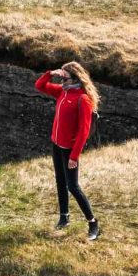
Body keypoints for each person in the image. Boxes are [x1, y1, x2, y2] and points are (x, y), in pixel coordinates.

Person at [34, 63, 101, 240]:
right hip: (57, 145)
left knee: (73, 186)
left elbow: (83, 132)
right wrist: (50, 73)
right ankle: (64, 217)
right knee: (60, 181)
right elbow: (39, 85)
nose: (62, 81)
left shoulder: (82, 99)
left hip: (70, 149)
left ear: (75, 78)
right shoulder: (63, 92)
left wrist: (74, 156)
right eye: (61, 78)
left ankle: (93, 223)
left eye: (65, 78)